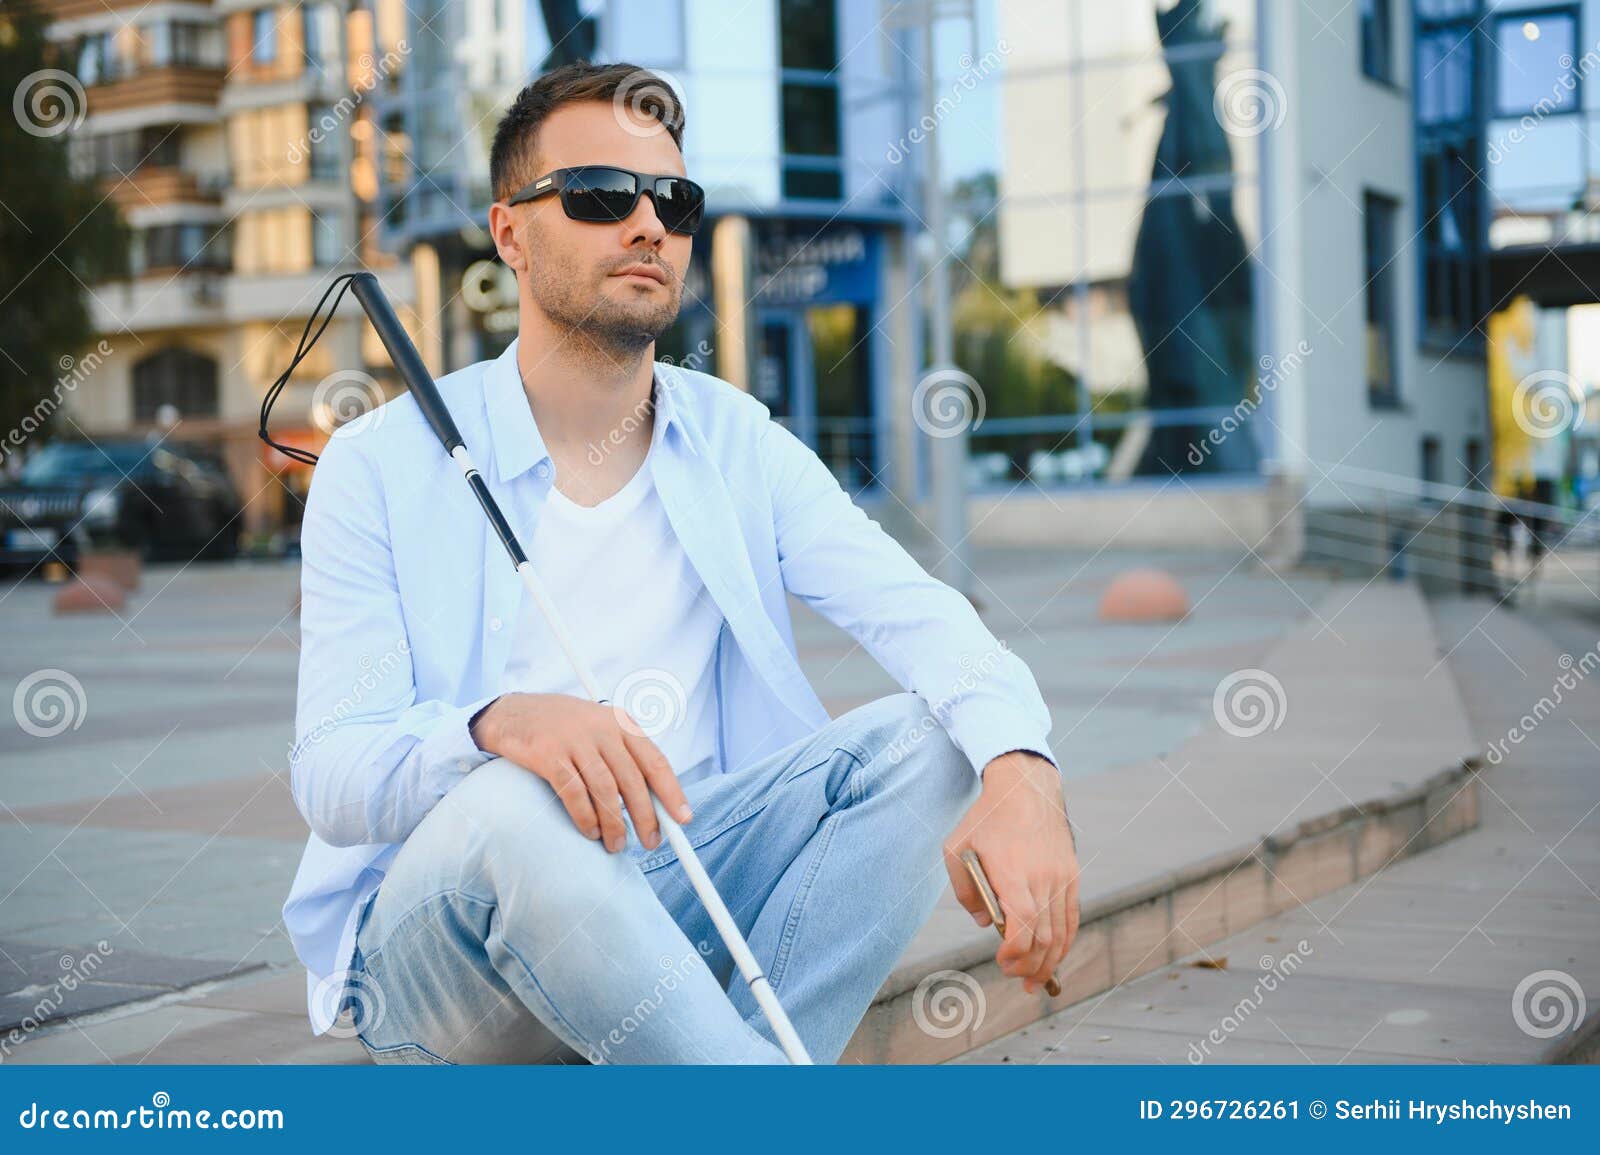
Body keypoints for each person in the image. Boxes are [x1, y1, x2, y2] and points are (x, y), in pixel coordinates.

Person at [283, 61, 1079, 1065]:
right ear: (508, 235)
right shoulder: (381, 463)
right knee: (507, 802)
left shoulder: (738, 440)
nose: (648, 223)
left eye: (675, 200)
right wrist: (497, 728)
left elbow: (923, 617)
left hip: (687, 894)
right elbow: (332, 772)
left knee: (936, 740)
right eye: (600, 195)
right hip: (449, 957)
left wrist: (1024, 775)